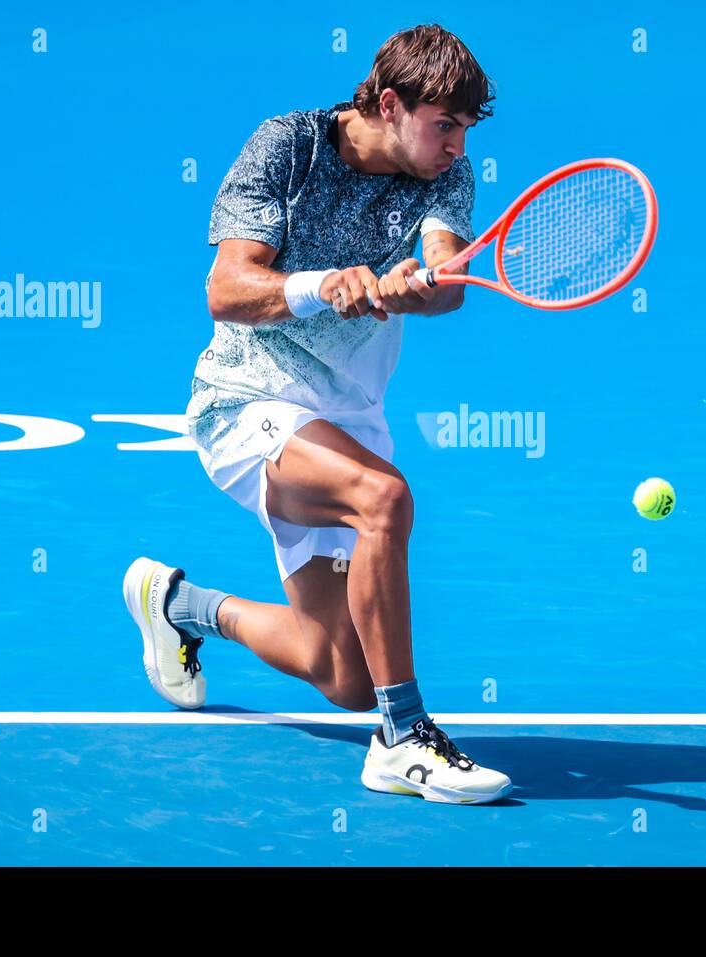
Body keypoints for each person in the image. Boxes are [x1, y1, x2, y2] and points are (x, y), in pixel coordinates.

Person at [122, 23, 512, 804]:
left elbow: (443, 277)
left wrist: (415, 284)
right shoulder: (287, 147)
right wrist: (322, 284)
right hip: (245, 402)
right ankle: (404, 737)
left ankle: (178, 605)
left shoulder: (444, 174)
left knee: (340, 670)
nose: (458, 148)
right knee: (384, 497)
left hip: (348, 416)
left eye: (466, 131)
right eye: (445, 127)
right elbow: (227, 289)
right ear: (390, 104)